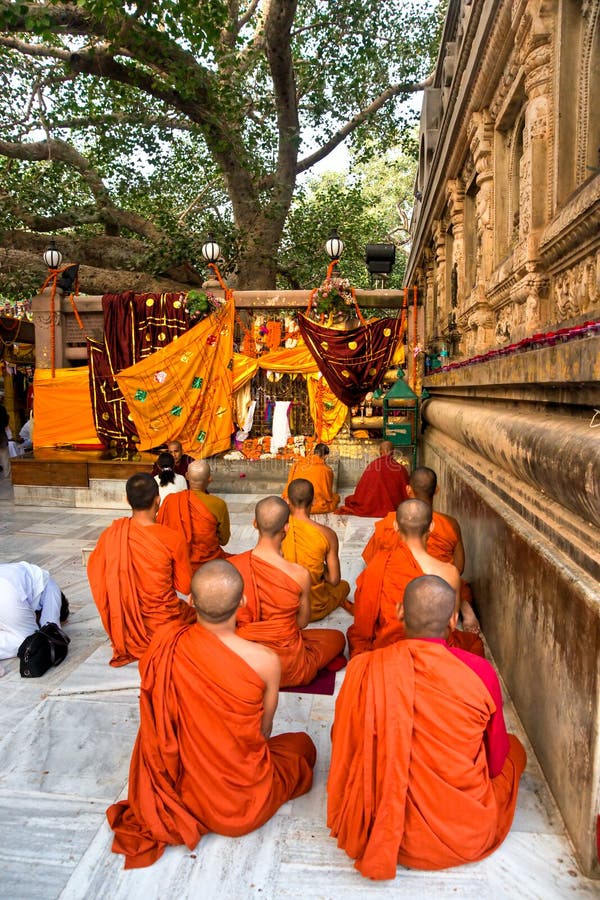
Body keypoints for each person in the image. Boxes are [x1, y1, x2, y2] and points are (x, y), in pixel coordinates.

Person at [107, 560, 316, 869]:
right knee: (303, 745)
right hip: (245, 804)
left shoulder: (165, 647)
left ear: (191, 601)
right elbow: (264, 731)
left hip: (184, 793)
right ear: (243, 603)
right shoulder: (266, 660)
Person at [328, 575, 526, 879]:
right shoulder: (479, 672)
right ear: (453, 619)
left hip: (381, 825)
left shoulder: (365, 668)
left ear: (399, 612)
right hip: (464, 832)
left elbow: (345, 740)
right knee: (515, 751)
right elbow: (496, 761)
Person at [230, 496, 346, 687]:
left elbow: (227, 620)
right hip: (289, 665)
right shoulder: (299, 574)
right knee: (337, 638)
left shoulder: (234, 566)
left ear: (254, 523)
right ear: (286, 527)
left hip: (246, 660)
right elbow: (302, 622)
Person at [348, 499, 483, 658]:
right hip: (432, 653)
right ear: (431, 526)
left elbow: (364, 621)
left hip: (388, 648)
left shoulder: (379, 564)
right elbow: (447, 628)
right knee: (475, 644)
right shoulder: (449, 573)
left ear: (396, 526)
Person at [88, 472, 196, 666]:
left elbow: (98, 577)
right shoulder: (173, 538)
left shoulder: (111, 536)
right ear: (158, 499)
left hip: (125, 627)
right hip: (165, 622)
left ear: (127, 499)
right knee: (198, 617)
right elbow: (186, 587)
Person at [363, 466, 464, 571]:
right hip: (437, 584)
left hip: (396, 584)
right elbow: (459, 568)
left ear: (408, 489)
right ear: (436, 490)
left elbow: (372, 562)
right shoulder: (450, 524)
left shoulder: (389, 522)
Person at [282, 478, 350, 621]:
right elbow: (334, 580)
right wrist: (321, 571)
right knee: (344, 587)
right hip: (313, 608)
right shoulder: (328, 534)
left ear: (287, 500)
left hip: (283, 606)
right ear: (313, 501)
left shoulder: (279, 529)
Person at [156, 459, 230, 571]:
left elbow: (161, 532)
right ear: (210, 479)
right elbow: (223, 540)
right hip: (209, 562)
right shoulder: (219, 504)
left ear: (186, 476)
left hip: (178, 562)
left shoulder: (171, 501)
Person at [0, 562, 69, 660]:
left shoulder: (34, 574)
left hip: (7, 586)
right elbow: (50, 629)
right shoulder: (52, 588)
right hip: (8, 592)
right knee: (31, 642)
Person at [336, 441, 409, 517]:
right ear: (393, 452)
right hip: (395, 506)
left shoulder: (373, 466)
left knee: (346, 499)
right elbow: (406, 493)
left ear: (380, 451)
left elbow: (361, 491)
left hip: (372, 505)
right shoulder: (401, 469)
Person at [283, 442, 339, 513]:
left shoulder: (299, 463)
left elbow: (290, 482)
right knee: (335, 498)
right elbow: (327, 495)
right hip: (312, 502)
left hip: (294, 499)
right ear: (325, 456)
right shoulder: (327, 470)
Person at [0, 397, 10, 480]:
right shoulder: (2, 408)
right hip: (1, 434)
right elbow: (6, 422)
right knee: (4, 455)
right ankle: (7, 475)